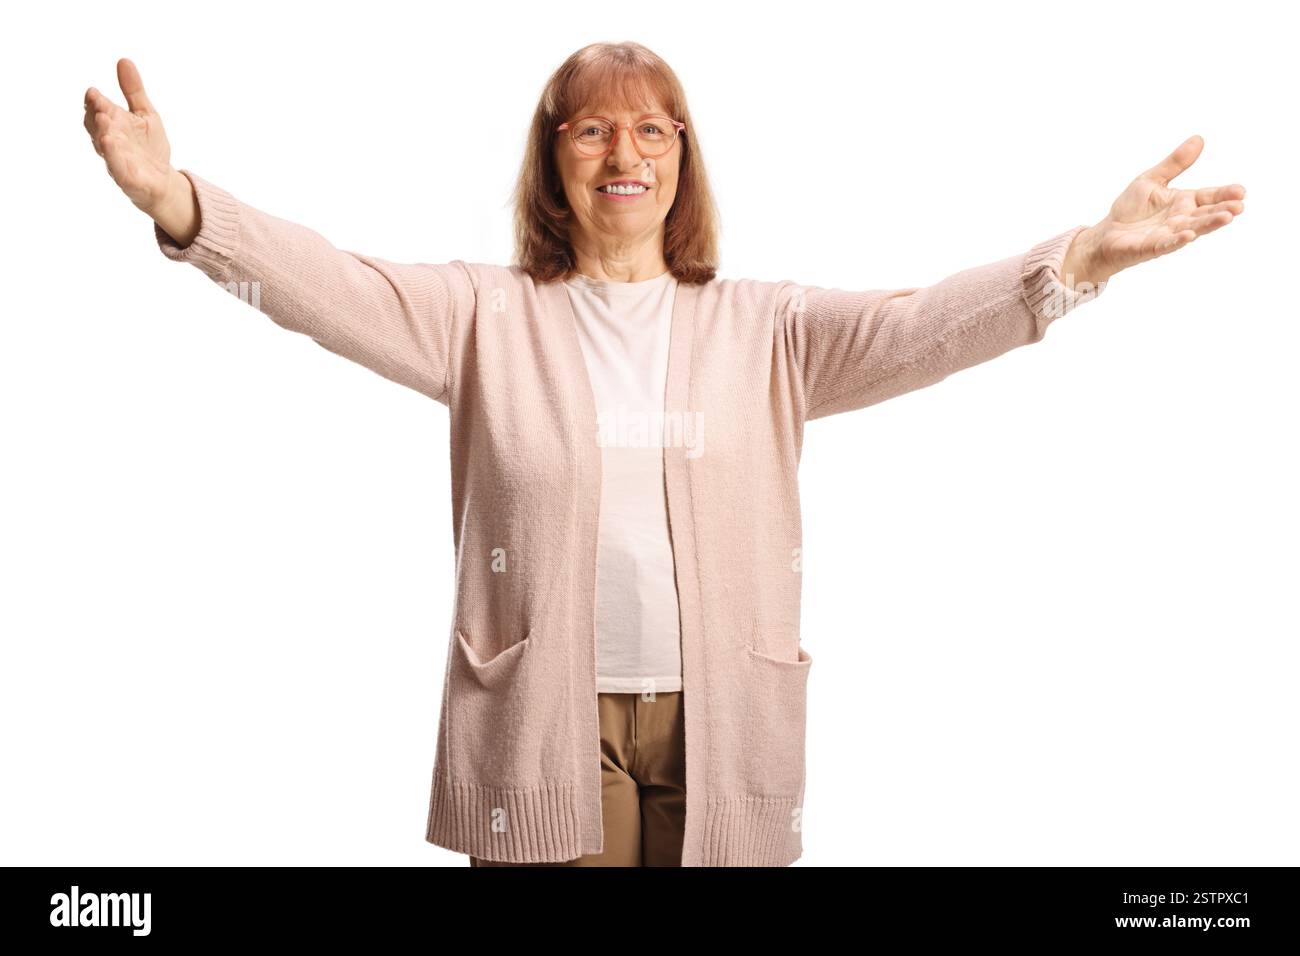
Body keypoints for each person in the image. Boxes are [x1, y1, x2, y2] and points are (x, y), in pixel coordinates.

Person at [83, 43, 1245, 867]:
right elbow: (321, 283)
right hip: (546, 714)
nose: (620, 149)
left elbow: (924, 322)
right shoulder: (482, 316)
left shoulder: (769, 328)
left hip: (722, 709)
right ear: (555, 160)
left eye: (649, 126)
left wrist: (1082, 259)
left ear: (680, 157)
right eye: (590, 126)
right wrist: (182, 204)